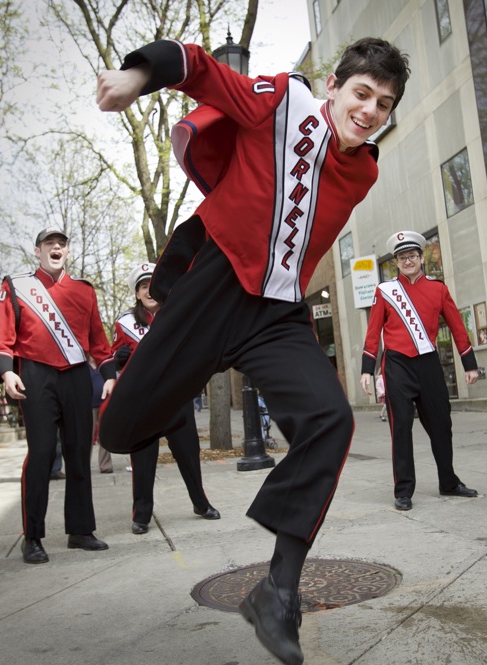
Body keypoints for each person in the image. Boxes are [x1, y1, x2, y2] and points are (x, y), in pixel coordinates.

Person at [96, 36, 409, 665]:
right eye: (361, 93)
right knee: (122, 431)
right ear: (333, 89)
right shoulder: (282, 101)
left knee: (330, 419)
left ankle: (277, 592)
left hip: (276, 313)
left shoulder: (366, 168)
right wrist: (138, 75)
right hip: (213, 288)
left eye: (384, 102)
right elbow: (206, 73)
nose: (370, 110)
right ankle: (141, 384)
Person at [0, 227, 116, 565]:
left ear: (67, 252)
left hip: (76, 376)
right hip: (35, 374)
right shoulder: (17, 287)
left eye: (61, 244)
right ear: (37, 251)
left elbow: (98, 341)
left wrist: (110, 375)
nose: (55, 248)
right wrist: (6, 371)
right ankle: (33, 536)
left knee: (78, 454)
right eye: (49, 244)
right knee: (42, 454)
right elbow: (0, 336)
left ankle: (80, 530)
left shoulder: (84, 291)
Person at [359, 231, 480, 511]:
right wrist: (367, 369)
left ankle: (448, 482)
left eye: (412, 256)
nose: (408, 261)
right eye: (402, 257)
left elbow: (457, 325)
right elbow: (373, 332)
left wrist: (469, 362)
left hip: (428, 364)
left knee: (442, 425)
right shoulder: (385, 291)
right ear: (397, 262)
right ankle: (403, 490)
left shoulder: (438, 289)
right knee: (400, 427)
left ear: (421, 257)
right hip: (397, 364)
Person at [110, 262, 220, 535]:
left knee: (188, 453)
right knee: (143, 460)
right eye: (144, 286)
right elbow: (112, 356)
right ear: (137, 293)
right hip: (142, 404)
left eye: (154, 285)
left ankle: (200, 503)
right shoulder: (124, 323)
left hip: (175, 398)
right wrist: (118, 359)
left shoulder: (178, 316)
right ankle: (142, 514)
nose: (150, 291)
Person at [89, 362, 114, 473]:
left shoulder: (105, 365)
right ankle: (84, 464)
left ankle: (105, 465)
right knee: (87, 436)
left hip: (105, 403)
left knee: (104, 434)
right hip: (89, 405)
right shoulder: (84, 365)